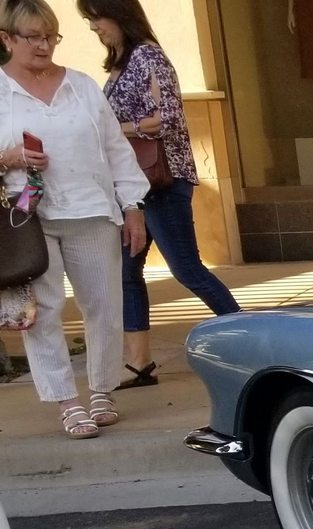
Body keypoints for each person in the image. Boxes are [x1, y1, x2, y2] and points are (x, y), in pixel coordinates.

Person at [2, 0, 148, 439]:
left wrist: (132, 206)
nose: (44, 45)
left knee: (104, 306)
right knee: (44, 312)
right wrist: (8, 157)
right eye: (32, 37)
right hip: (28, 218)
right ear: (6, 39)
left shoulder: (82, 86)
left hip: (91, 209)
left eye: (50, 35)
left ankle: (103, 390)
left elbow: (116, 151)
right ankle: (67, 401)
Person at [82, 0, 241, 390]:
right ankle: (139, 363)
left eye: (96, 18)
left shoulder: (148, 56)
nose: (93, 28)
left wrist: (117, 128)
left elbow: (167, 117)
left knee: (187, 270)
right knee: (127, 272)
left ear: (118, 15)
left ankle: (247, 338)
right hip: (136, 186)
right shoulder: (121, 63)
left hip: (162, 181)